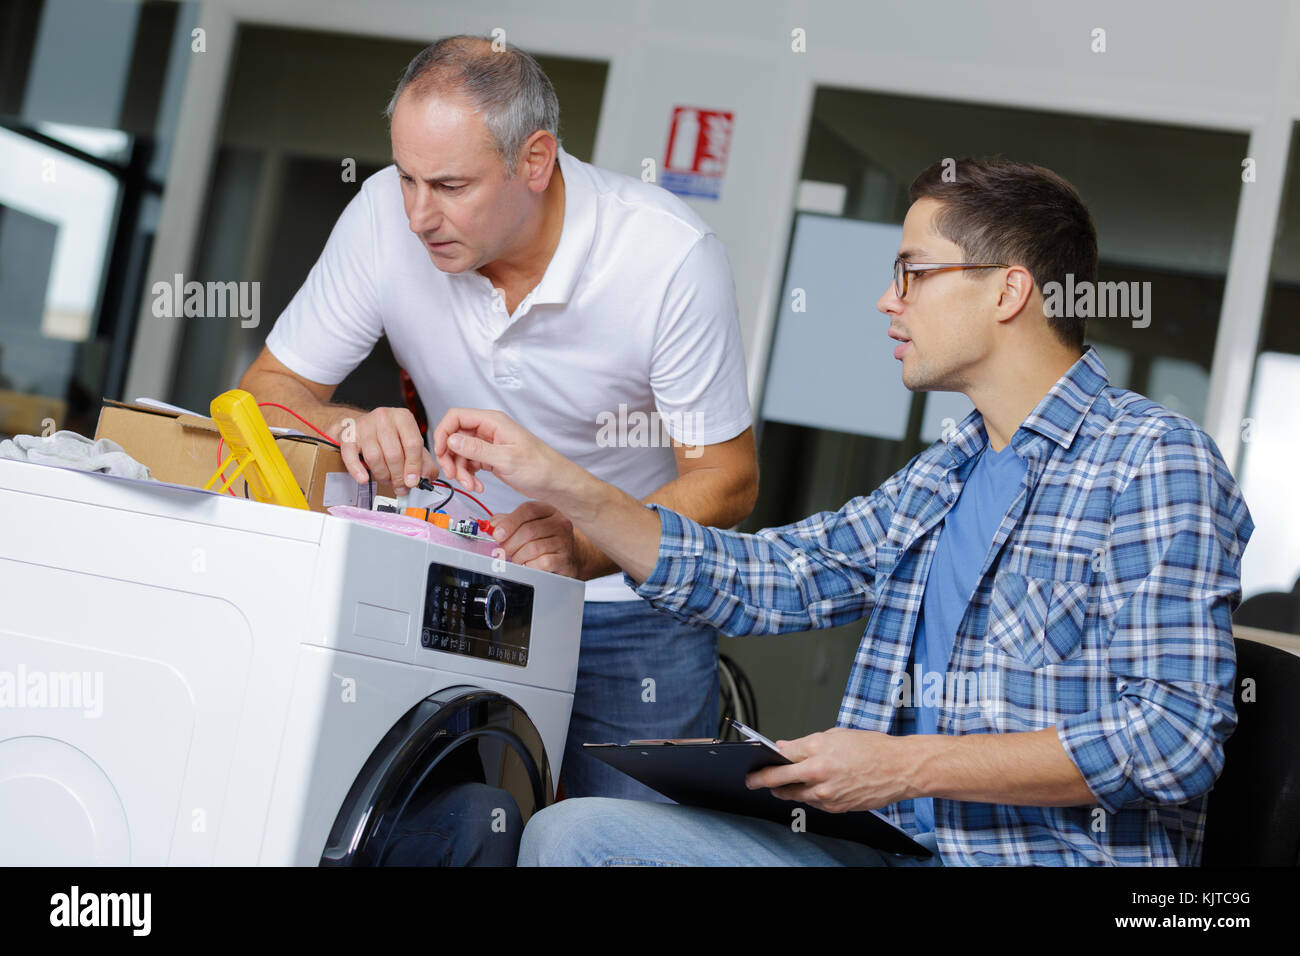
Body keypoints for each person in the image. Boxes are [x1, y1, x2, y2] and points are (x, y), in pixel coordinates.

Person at [429, 158, 1256, 866]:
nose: (887, 302)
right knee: (577, 835)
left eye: (914, 273)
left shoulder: (1152, 459)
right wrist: (564, 483)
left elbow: (1171, 738)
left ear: (1009, 291)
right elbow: (776, 578)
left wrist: (904, 767)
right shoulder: (951, 469)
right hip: (885, 844)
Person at [238, 35, 758, 806]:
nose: (418, 214)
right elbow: (266, 390)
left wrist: (581, 547)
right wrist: (346, 428)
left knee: (614, 845)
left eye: (449, 185)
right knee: (432, 827)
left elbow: (728, 480)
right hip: (459, 584)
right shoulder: (384, 217)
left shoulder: (667, 257)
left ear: (536, 161)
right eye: (407, 177)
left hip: (631, 613)